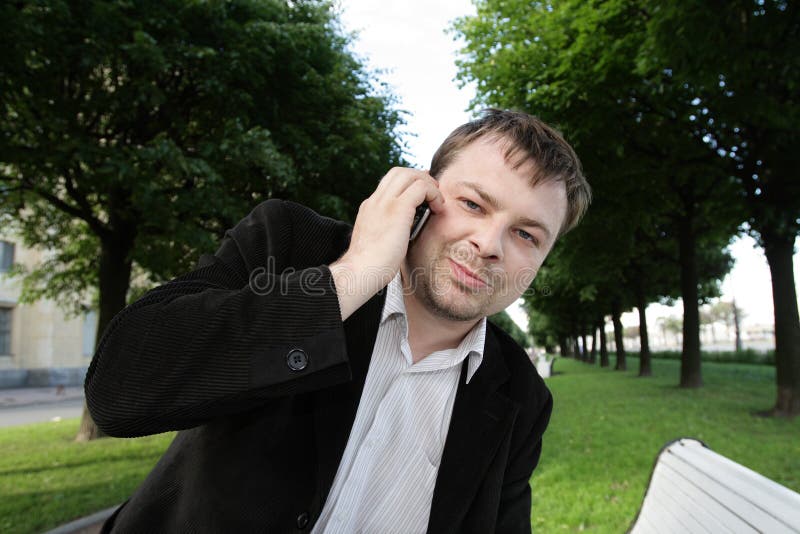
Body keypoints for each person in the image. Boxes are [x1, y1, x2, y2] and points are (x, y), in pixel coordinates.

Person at [86, 109, 591, 533]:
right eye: (472, 204)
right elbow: (118, 391)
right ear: (420, 194)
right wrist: (353, 274)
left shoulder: (522, 396)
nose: (490, 244)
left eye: (527, 235)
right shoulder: (287, 246)